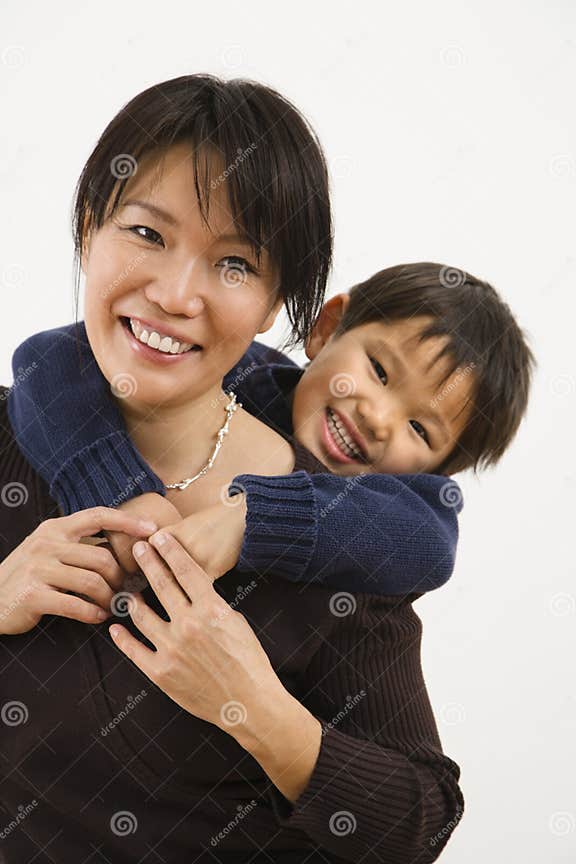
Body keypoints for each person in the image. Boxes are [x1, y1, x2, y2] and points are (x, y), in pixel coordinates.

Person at [0, 73, 464, 863]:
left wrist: (254, 707)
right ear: (88, 226)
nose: (177, 295)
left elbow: (418, 824)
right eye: (147, 233)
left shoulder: (332, 526)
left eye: (236, 265)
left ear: (280, 306)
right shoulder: (18, 427)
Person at [8, 264, 535, 596]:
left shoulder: (400, 512)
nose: (378, 417)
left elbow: (429, 542)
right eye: (378, 371)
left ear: (437, 470)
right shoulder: (242, 374)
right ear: (327, 328)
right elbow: (51, 359)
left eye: (420, 429)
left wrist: (252, 517)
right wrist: (122, 495)